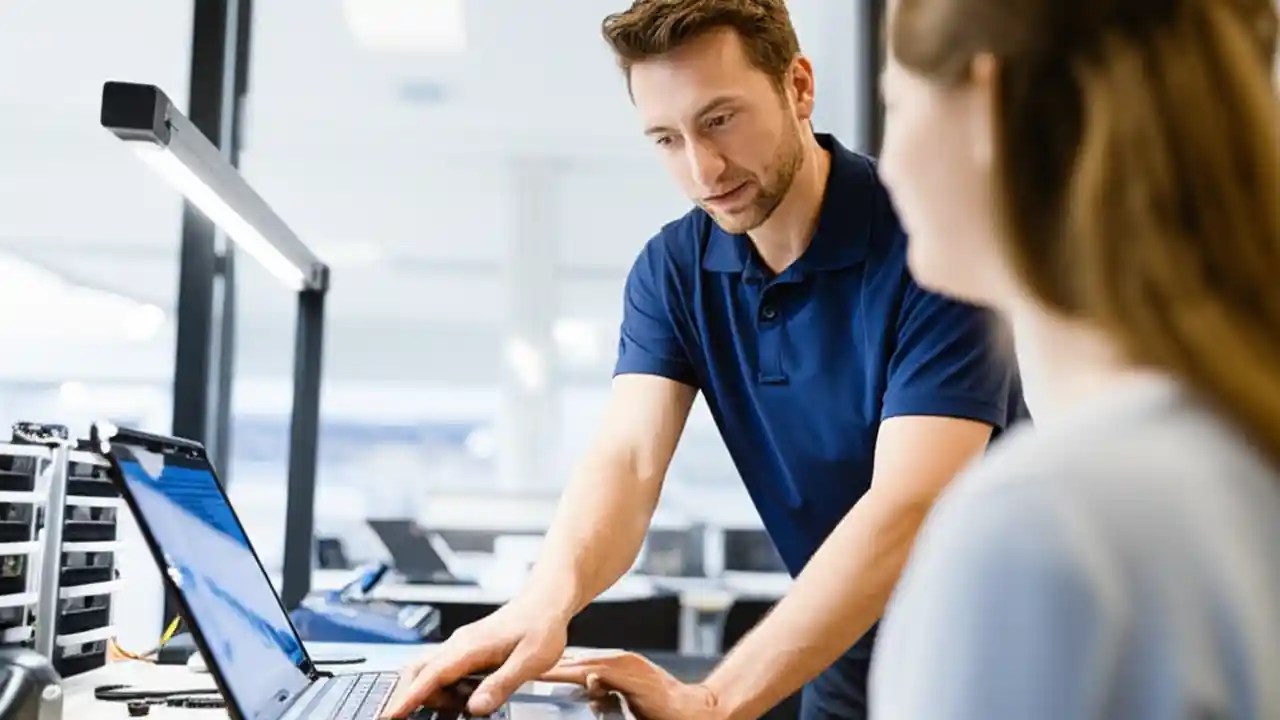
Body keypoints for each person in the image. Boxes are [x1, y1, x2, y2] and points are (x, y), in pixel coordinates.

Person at [385, 1, 1023, 718]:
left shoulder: (932, 243)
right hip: (844, 656)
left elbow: (909, 506)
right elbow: (627, 459)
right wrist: (543, 602)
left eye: (720, 119)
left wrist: (716, 700)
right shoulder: (674, 269)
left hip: (1006, 653)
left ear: (799, 86)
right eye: (666, 138)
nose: (702, 169)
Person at [865, 0, 1280, 717]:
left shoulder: (1037, 521)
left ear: (985, 107)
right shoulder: (1233, 444)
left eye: (896, 107)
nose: (889, 164)